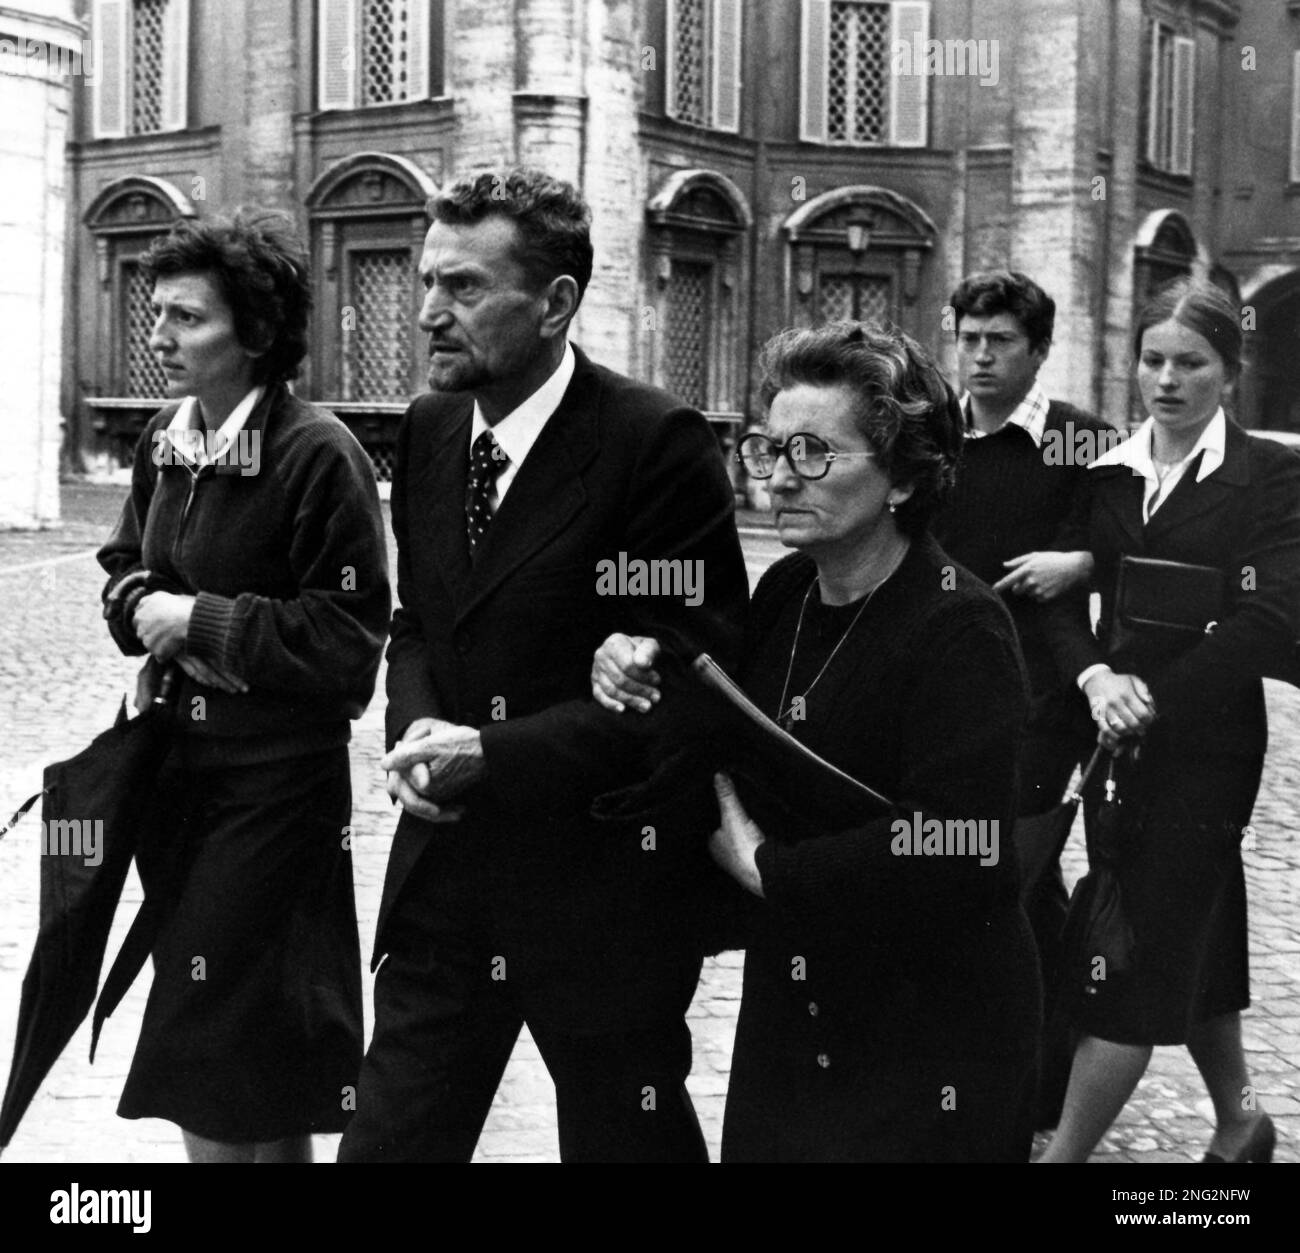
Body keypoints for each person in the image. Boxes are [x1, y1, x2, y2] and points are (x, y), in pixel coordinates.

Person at [337, 168, 748, 1164]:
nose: (428, 310)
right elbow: (420, 626)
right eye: (428, 281)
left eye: (465, 287)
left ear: (556, 303)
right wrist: (419, 736)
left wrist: (495, 750)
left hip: (601, 897)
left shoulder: (654, 444)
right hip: (445, 888)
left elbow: (690, 683)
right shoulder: (432, 426)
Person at [593, 322, 1042, 1161]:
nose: (777, 478)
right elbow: (736, 728)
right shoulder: (790, 586)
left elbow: (959, 841)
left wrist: (771, 870)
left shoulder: (962, 625)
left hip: (932, 1022)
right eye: (767, 450)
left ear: (905, 476)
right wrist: (626, 657)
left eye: (813, 453)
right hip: (800, 996)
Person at [97, 209, 391, 1163]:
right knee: (261, 1045)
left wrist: (204, 621)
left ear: (256, 333)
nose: (158, 337)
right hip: (178, 780)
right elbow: (122, 563)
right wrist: (143, 597)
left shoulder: (319, 454)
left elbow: (350, 642)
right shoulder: (168, 441)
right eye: (159, 314)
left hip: (276, 791)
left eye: (186, 318)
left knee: (211, 1030)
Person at [1038, 279, 1300, 1163]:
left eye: (1191, 362)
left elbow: (1270, 618)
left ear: (1230, 369)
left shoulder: (1269, 474)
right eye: (1152, 359)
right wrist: (1095, 675)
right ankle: (1240, 1117)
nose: (1167, 379)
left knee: (1136, 950)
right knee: (1192, 921)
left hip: (1207, 748)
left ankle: (1065, 1155)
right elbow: (1068, 603)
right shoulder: (1107, 472)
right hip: (1114, 733)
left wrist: (1149, 699)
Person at [931, 270, 1115, 1127]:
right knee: (997, 878)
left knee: (1014, 872)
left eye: (999, 341)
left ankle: (1034, 1078)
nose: (979, 355)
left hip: (1045, 696)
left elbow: (1120, 537)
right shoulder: (936, 432)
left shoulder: (1078, 440)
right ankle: (1026, 1056)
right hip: (944, 690)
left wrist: (1076, 562)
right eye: (968, 337)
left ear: (1038, 351)